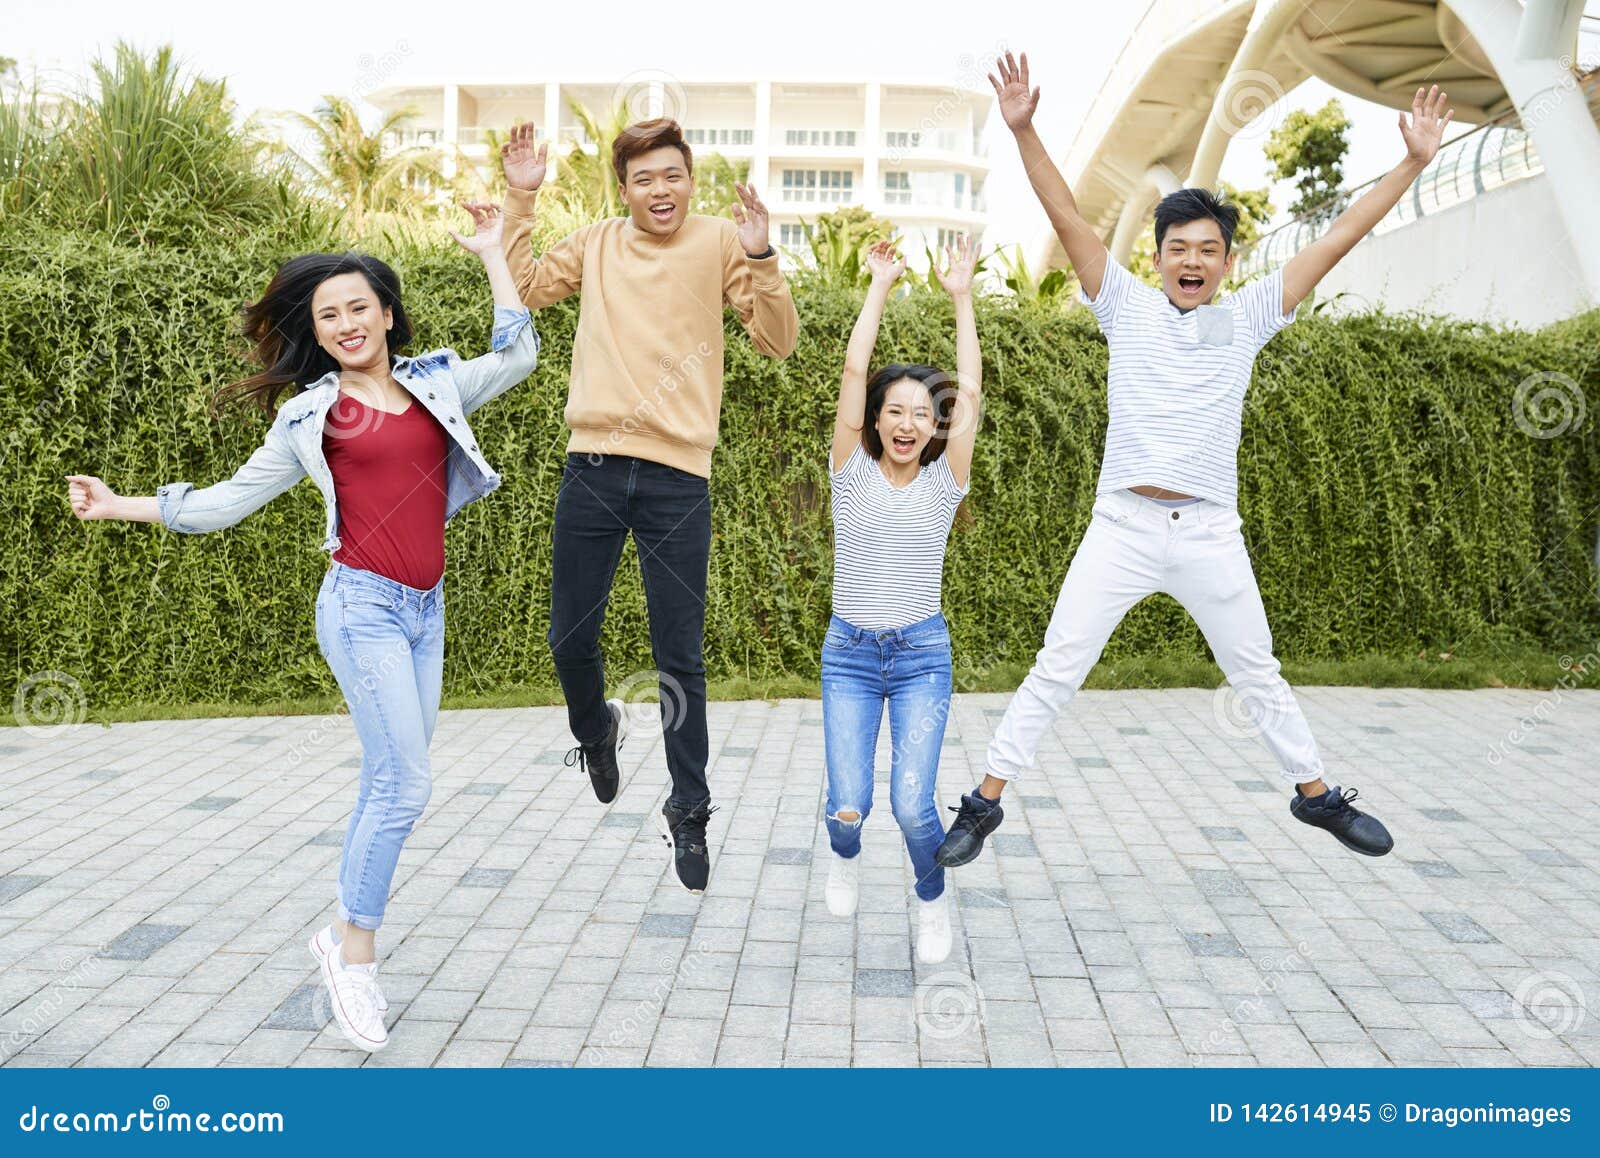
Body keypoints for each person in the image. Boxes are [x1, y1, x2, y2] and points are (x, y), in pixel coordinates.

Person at [939, 52, 1454, 867]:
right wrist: (1024, 128)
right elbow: (1068, 215)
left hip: (1210, 531)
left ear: (1226, 261)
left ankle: (1315, 797)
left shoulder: (1250, 315)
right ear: (1156, 256)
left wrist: (1414, 162)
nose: (1191, 261)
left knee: (1258, 672)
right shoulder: (1125, 306)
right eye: (1178, 246)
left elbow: (1343, 234)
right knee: (1058, 664)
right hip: (1124, 526)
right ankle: (982, 804)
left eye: (1208, 249)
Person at [65, 205, 538, 1052]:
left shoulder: (436, 383)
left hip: (425, 612)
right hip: (360, 609)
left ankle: (340, 936)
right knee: (407, 787)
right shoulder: (311, 418)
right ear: (315, 334)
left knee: (388, 782)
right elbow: (221, 504)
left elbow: (520, 353)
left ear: (386, 312)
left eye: (359, 307)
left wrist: (496, 253)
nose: (347, 324)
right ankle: (353, 955)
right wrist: (118, 506)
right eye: (329, 315)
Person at [497, 117, 798, 894]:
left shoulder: (720, 243)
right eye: (643, 179)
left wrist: (762, 255)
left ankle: (689, 806)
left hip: (677, 479)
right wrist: (520, 198)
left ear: (689, 179)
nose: (660, 190)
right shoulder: (597, 243)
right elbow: (524, 285)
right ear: (622, 189)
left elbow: (776, 341)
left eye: (672, 175)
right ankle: (596, 729)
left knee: (679, 657)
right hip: (593, 466)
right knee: (569, 636)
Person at [822, 236, 980, 965]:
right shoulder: (848, 471)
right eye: (895, 411)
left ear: (934, 423)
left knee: (912, 803)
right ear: (876, 420)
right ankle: (844, 853)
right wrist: (879, 284)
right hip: (850, 657)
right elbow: (855, 368)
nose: (909, 423)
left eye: (922, 412)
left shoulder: (946, 484)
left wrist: (960, 297)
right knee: (848, 807)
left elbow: (971, 395)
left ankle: (931, 899)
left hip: (920, 656)